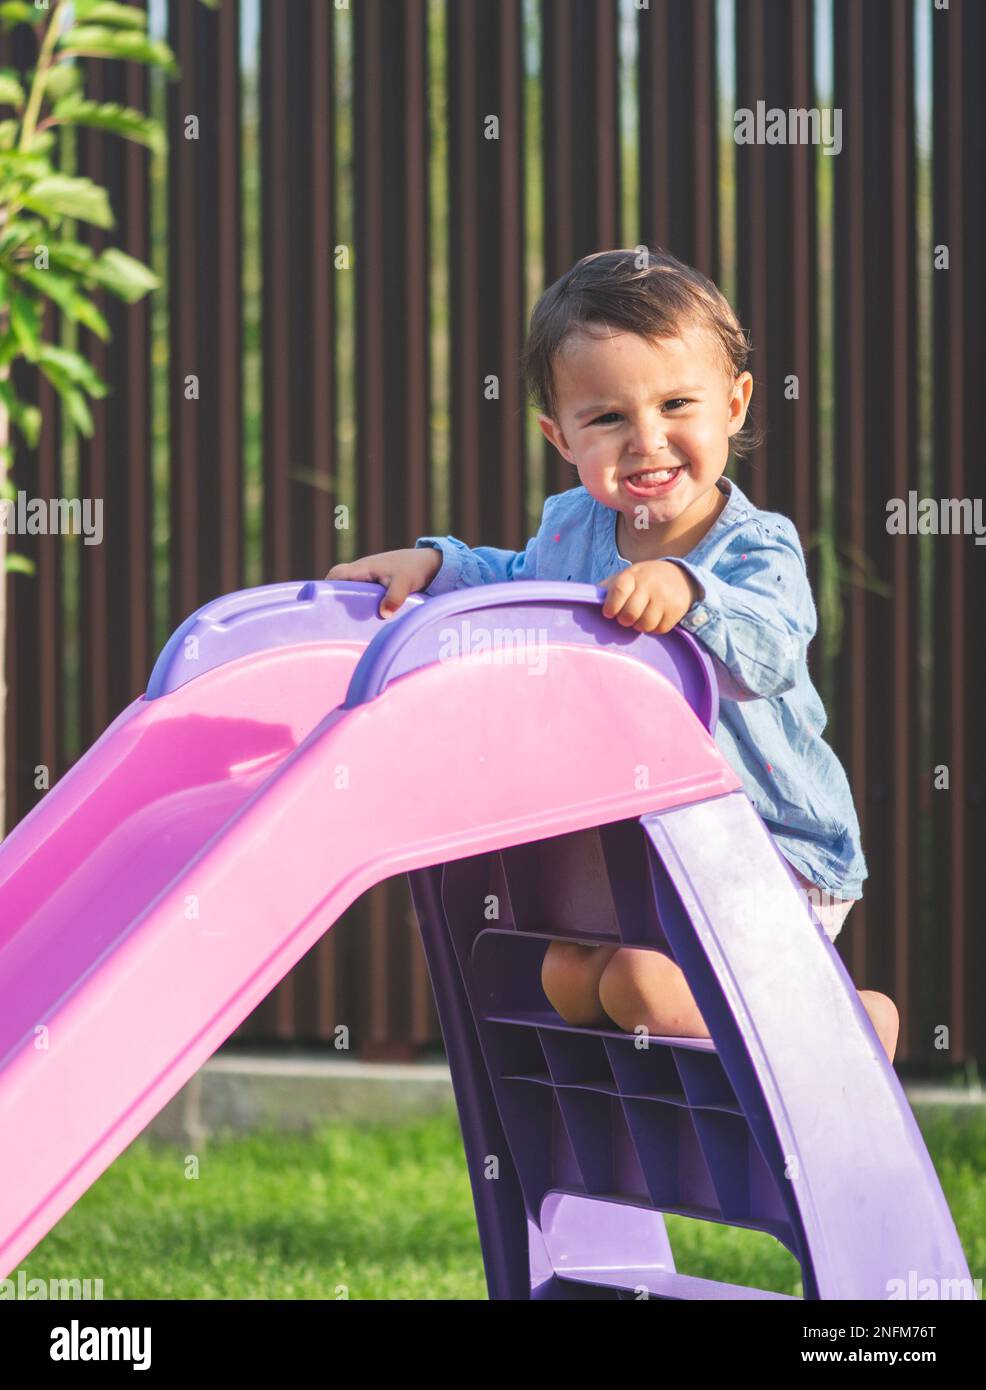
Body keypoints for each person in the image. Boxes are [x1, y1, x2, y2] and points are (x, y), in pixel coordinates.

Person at [326, 245, 900, 1063]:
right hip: (627, 850)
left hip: (764, 844)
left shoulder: (754, 549)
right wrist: (437, 565)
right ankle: (683, 1115)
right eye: (608, 418)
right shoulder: (572, 528)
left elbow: (772, 651)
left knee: (637, 986)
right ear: (559, 436)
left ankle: (846, 1025)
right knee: (569, 976)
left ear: (733, 406)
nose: (647, 440)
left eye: (676, 405)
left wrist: (691, 594)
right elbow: (520, 585)